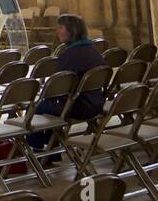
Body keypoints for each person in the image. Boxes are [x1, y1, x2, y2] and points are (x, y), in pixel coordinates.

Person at [29, 14, 106, 155]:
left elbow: (55, 89)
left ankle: (38, 150)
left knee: (36, 107)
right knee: (49, 106)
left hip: (78, 107)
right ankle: (51, 146)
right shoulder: (94, 51)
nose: (57, 32)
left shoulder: (69, 55)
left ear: (72, 31)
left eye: (60, 28)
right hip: (96, 103)